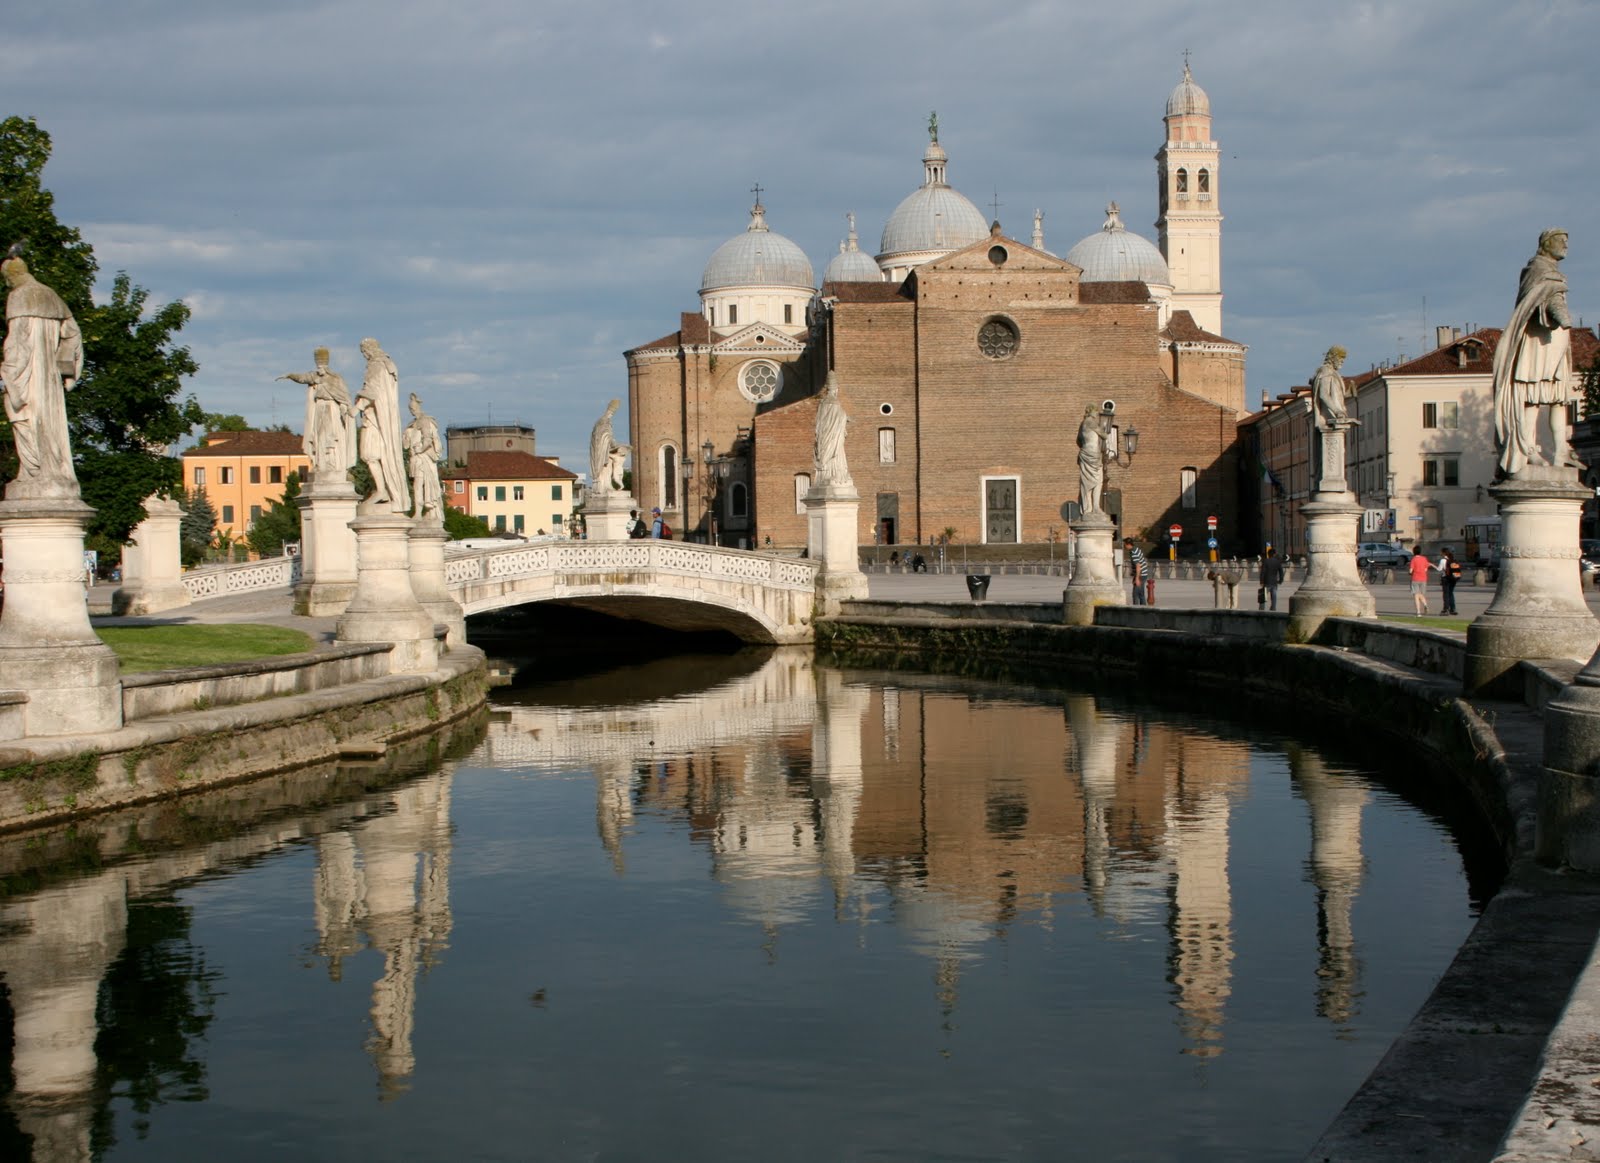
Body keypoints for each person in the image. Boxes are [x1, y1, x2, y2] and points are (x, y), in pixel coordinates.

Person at [1494, 229, 1576, 478]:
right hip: (1539, 343)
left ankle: (1561, 450)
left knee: (1558, 398)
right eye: (1561, 241)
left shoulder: (1554, 272)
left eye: (1566, 242)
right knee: (1533, 395)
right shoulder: (1537, 270)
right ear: (1546, 244)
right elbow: (1536, 302)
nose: (1565, 246)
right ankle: (1526, 446)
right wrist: (1560, 314)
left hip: (1557, 347)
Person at [1, 249, 83, 498]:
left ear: (10, 278)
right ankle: (51, 471)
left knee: (23, 414)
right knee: (48, 422)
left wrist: (9, 374)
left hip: (29, 375)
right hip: (49, 381)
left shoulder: (18, 297)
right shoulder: (51, 296)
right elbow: (73, 335)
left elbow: (18, 344)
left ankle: (33, 471)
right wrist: (65, 368)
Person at [281, 348, 354, 480]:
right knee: (318, 436)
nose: (320, 367)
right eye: (318, 364)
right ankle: (320, 463)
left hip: (331, 409)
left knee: (330, 437)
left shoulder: (335, 379)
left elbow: (344, 397)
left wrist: (344, 408)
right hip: (319, 408)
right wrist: (290, 375)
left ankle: (331, 464)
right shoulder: (314, 376)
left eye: (322, 364)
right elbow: (303, 378)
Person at [402, 392, 443, 522]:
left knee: (421, 485)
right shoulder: (411, 424)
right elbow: (405, 445)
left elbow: (428, 439)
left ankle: (421, 512)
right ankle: (419, 512)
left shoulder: (425, 421)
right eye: (410, 409)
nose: (412, 411)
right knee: (417, 485)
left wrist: (420, 449)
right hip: (415, 458)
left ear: (418, 407)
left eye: (413, 408)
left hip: (423, 458)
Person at [1078, 406, 1107, 515]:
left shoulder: (1082, 424)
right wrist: (1105, 427)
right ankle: (1095, 507)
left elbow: (1078, 440)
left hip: (1085, 454)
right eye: (1096, 411)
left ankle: (1088, 508)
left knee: (1086, 482)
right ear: (1091, 411)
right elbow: (1104, 435)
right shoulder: (1091, 422)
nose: (1097, 414)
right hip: (1093, 455)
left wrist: (1085, 445)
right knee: (1098, 481)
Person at [1408, 548, 1435, 615]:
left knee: (1416, 595)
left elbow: (1411, 570)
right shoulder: (1424, 559)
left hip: (1415, 578)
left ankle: (1418, 612)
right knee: (1421, 594)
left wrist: (1410, 573)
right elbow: (1426, 568)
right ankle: (1425, 605)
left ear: (1414, 552)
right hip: (1423, 578)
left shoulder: (1413, 559)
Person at [1259, 546, 1285, 611]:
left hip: (1267, 582)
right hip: (1274, 582)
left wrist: (1261, 581)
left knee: (1263, 596)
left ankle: (1262, 609)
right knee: (1274, 596)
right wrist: (1281, 580)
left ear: (1269, 554)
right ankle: (1273, 608)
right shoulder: (1278, 562)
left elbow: (1263, 572)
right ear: (1274, 554)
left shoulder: (1266, 561)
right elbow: (1281, 572)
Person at [1437, 546, 1462, 616]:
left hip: (1446, 578)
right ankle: (1453, 609)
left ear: (1443, 553)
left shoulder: (1443, 560)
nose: (1440, 554)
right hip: (1453, 578)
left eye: (1441, 552)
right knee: (1451, 593)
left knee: (1446, 594)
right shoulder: (1453, 559)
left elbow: (1439, 569)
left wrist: (1432, 565)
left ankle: (1445, 609)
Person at [1124, 537, 1149, 605]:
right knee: (1141, 593)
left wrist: (1137, 578)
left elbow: (1138, 566)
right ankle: (1143, 609)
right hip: (1143, 574)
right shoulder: (1136, 549)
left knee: (1135, 594)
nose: (1124, 546)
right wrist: (1135, 577)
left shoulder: (1133, 553)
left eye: (1125, 544)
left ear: (1128, 544)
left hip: (1141, 575)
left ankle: (1136, 610)